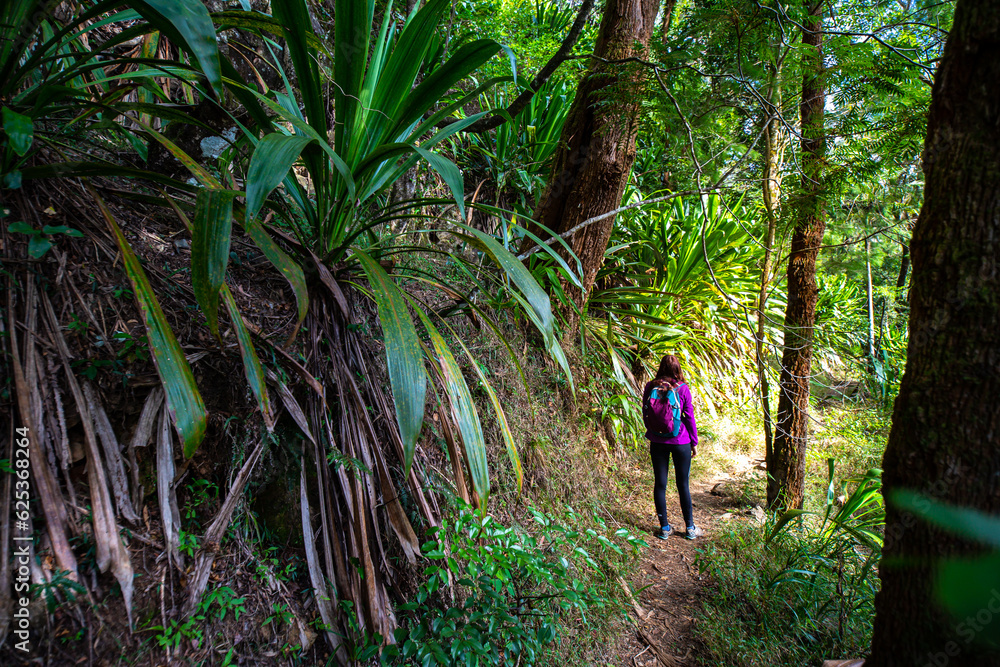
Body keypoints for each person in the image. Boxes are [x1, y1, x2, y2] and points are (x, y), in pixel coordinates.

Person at [642, 354, 704, 540]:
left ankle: (665, 528)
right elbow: (689, 416)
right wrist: (694, 442)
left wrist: (652, 431)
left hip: (657, 441)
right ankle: (690, 528)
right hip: (680, 441)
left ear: (661, 368)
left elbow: (645, 412)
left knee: (660, 484)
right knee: (682, 484)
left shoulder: (650, 386)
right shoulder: (682, 389)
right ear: (678, 369)